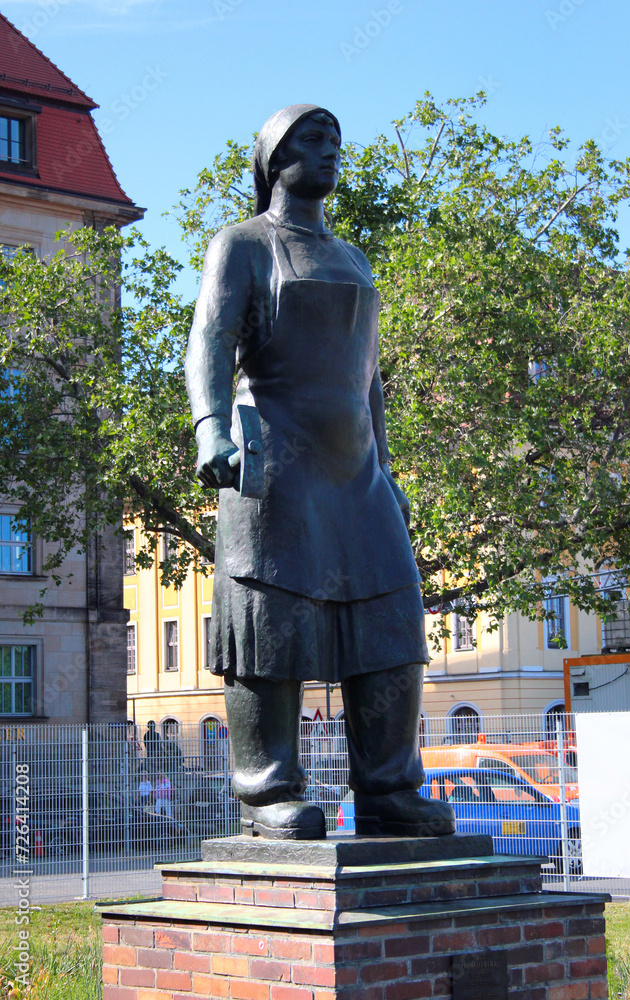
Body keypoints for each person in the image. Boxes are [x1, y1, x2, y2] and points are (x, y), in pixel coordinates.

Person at [185, 104, 455, 841]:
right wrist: (212, 428)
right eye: (312, 138)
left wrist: (386, 471)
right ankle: (267, 789)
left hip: (356, 475)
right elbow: (209, 340)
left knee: (393, 624)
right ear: (274, 158)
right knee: (268, 628)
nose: (330, 149)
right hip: (274, 464)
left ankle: (390, 790)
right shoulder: (242, 245)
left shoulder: (352, 258)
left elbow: (368, 382)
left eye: (336, 139)